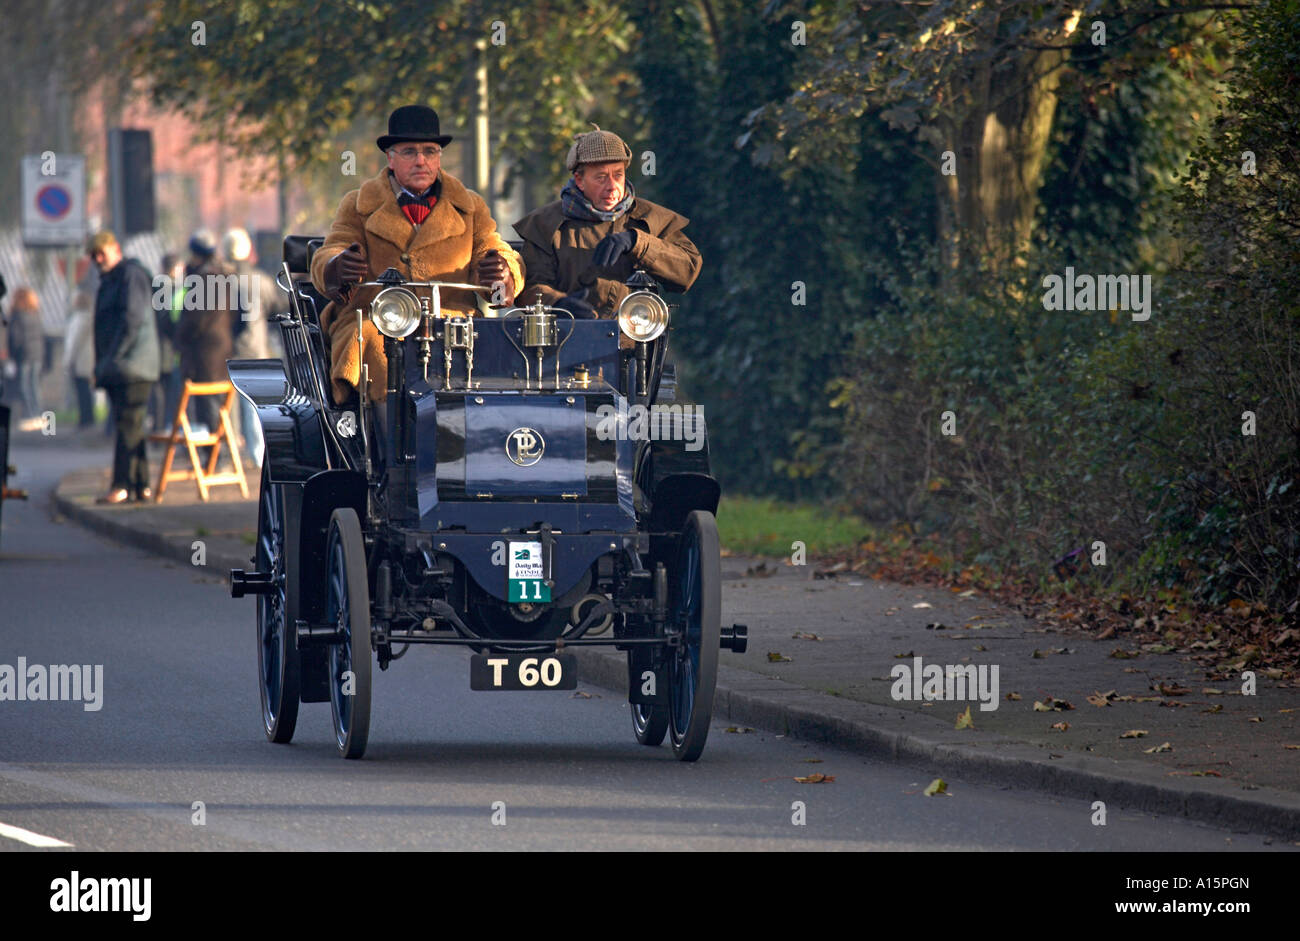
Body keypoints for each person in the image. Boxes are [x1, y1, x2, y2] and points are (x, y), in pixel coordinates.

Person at [310, 104, 524, 404]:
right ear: (391, 158)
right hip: (379, 317)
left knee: (490, 348)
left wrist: (503, 274)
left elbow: (494, 248)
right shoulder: (357, 204)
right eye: (409, 152)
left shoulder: (470, 206)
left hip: (452, 321)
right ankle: (387, 426)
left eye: (429, 151)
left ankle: (464, 422)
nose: (421, 161)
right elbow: (332, 248)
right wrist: (337, 266)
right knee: (371, 340)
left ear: (439, 157)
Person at [513, 128, 701, 320]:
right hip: (566, 333)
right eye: (601, 177)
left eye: (618, 175)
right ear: (579, 180)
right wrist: (559, 304)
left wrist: (637, 242)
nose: (612, 186)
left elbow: (688, 271)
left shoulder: (649, 218)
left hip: (634, 334)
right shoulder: (545, 224)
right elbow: (529, 287)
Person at [88, 230, 160, 503]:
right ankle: (141, 485)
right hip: (122, 367)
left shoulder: (131, 275)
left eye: (101, 253)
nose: (97, 259)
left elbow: (132, 319)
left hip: (133, 366)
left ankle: (121, 486)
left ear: (115, 249)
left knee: (127, 426)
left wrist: (113, 357)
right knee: (132, 426)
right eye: (93, 255)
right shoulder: (112, 279)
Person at [223, 227, 278, 465]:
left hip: (229, 352)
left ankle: (234, 454)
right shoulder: (262, 280)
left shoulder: (222, 282)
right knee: (255, 406)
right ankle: (259, 456)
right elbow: (276, 308)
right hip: (256, 350)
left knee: (230, 408)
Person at [176, 230, 236, 442]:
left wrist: (180, 337)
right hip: (222, 349)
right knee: (219, 406)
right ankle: (219, 450)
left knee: (208, 406)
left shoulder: (204, 279)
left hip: (205, 354)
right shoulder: (225, 276)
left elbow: (195, 319)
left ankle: (214, 453)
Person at [148, 252, 184, 433]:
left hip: (155, 346)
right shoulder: (172, 289)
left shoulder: (155, 287)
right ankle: (166, 429)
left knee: (159, 392)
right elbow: (168, 321)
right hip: (167, 348)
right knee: (169, 392)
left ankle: (159, 427)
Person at [63, 260, 99, 430]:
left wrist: (68, 360)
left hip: (80, 361)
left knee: (82, 391)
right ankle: (87, 417)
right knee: (85, 391)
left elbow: (74, 342)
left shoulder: (80, 319)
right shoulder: (89, 317)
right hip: (88, 359)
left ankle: (86, 419)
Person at [6, 286, 44, 421]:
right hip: (37, 355)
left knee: (24, 386)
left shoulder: (17, 315)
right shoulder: (36, 314)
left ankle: (29, 415)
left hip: (23, 356)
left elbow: (15, 338)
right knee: (34, 386)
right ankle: (37, 413)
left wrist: (12, 355)